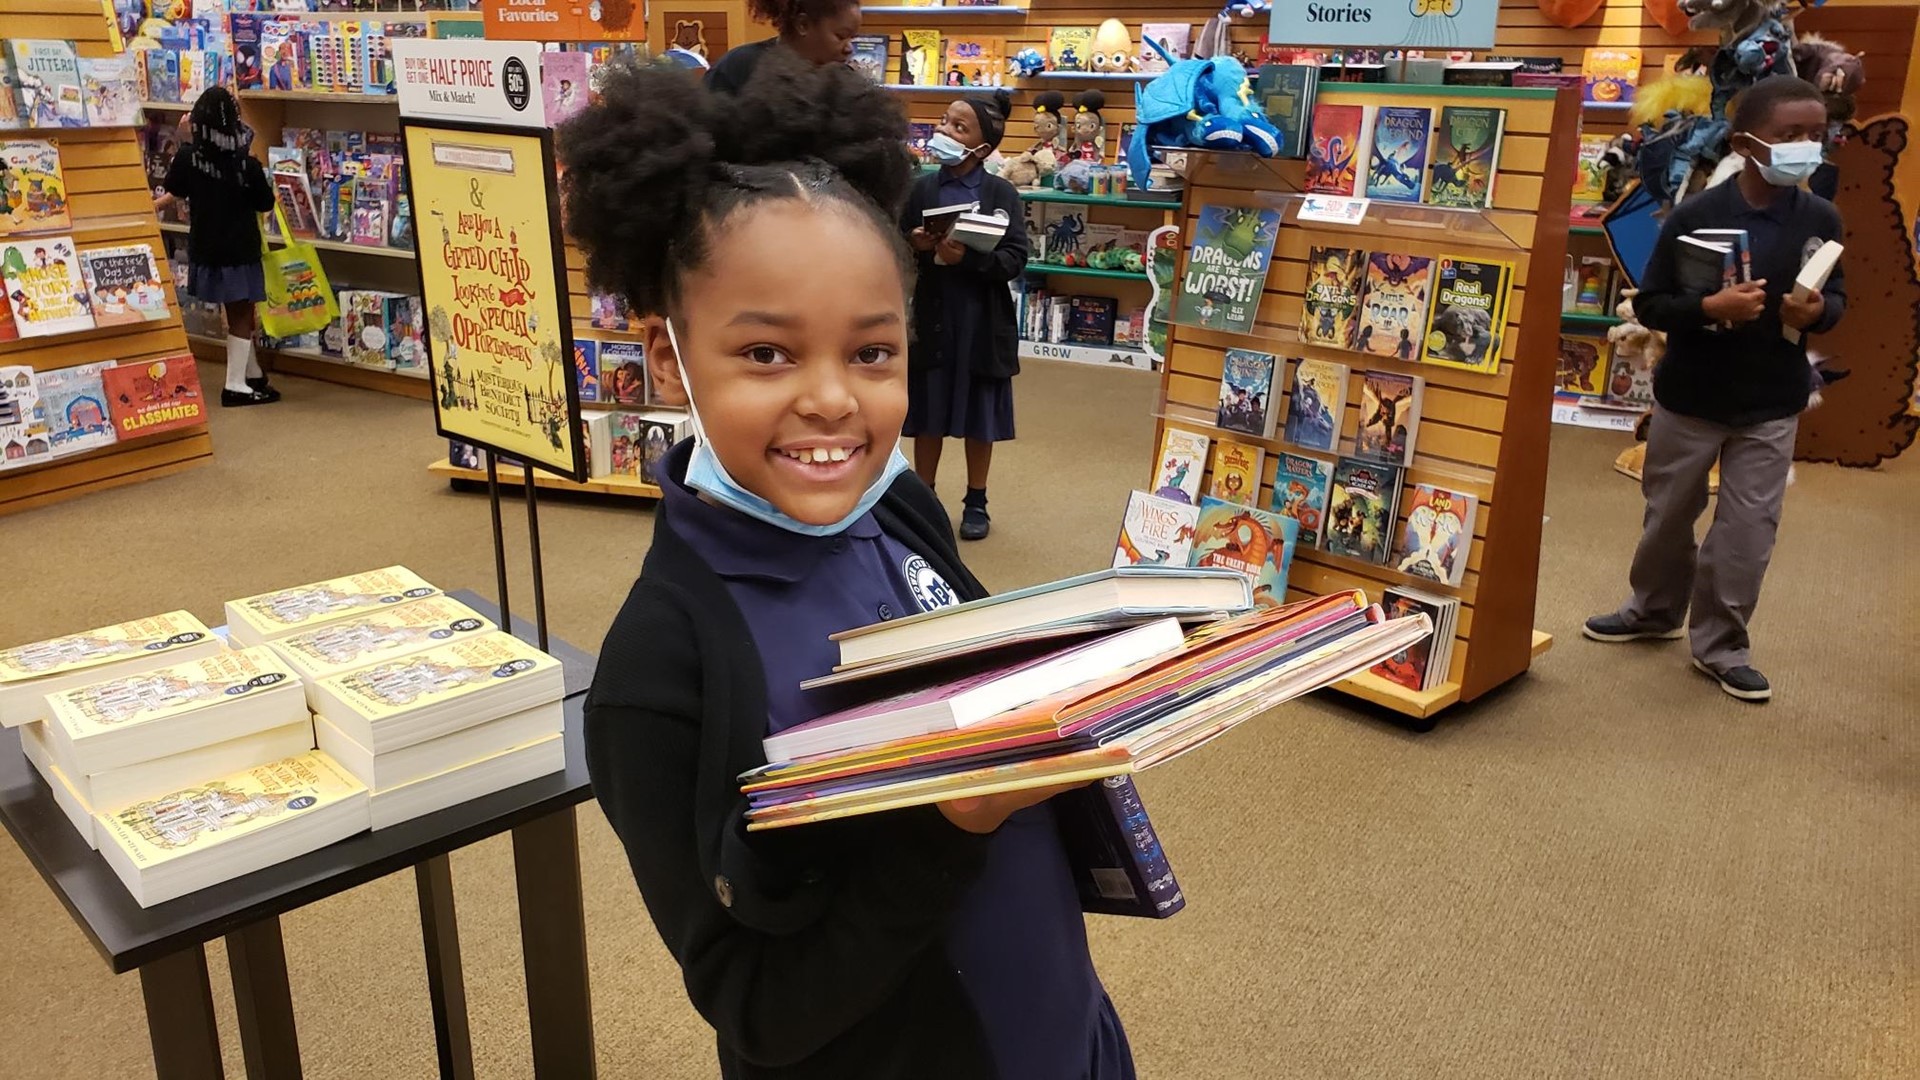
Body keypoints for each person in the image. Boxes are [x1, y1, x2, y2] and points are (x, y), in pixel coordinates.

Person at [562, 54, 1132, 1079]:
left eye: (871, 354)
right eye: (769, 356)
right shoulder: (659, 680)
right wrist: (953, 822)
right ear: (667, 358)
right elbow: (759, 1011)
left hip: (1054, 1028)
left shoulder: (902, 509)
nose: (833, 400)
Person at [1584, 77, 1845, 703]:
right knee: (1669, 515)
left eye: (1816, 135)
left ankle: (1723, 644)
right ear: (1745, 143)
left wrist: (1818, 315)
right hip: (1692, 397)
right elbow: (1651, 304)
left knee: (1749, 529)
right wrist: (1710, 305)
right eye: (1789, 136)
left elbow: (1837, 298)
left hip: (1773, 400)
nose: (1805, 147)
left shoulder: (1821, 217)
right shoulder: (1696, 215)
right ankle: (1652, 612)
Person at [900, 90, 1029, 540]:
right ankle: (925, 495)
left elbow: (1015, 258)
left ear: (983, 147)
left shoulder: (1001, 194)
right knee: (928, 410)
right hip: (934, 315)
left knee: (980, 415)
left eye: (959, 128)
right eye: (943, 122)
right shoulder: (922, 188)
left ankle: (977, 499)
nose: (944, 133)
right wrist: (914, 244)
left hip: (981, 319)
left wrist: (969, 261)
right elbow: (898, 244)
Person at [153, 87, 279, 407]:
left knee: (235, 311)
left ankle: (251, 374)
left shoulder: (188, 158)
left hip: (207, 247)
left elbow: (176, 188)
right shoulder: (245, 165)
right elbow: (265, 203)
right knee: (241, 313)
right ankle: (235, 385)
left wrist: (185, 140)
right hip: (240, 249)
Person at [705, 0, 862, 95]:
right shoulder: (735, 68)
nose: (849, 49)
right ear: (803, 25)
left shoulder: (847, 83)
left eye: (852, 38)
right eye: (841, 36)